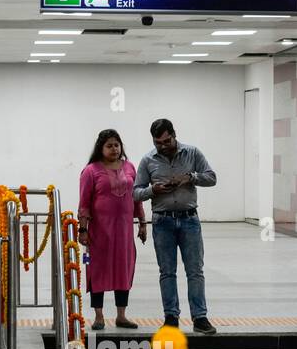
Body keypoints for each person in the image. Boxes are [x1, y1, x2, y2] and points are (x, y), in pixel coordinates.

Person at [133, 117, 217, 334]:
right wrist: (153, 190)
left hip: (190, 219)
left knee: (195, 271)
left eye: (166, 141)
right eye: (158, 143)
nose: (162, 146)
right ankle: (171, 317)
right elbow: (135, 192)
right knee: (167, 272)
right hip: (162, 221)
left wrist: (191, 177)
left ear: (174, 134)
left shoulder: (193, 153)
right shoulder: (147, 160)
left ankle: (200, 318)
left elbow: (211, 178)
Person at [79, 129, 147, 330]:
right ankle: (99, 317)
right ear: (101, 148)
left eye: (116, 145)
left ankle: (121, 316)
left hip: (124, 232)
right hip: (99, 232)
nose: (114, 149)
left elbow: (137, 198)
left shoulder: (130, 167)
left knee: (123, 270)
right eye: (109, 145)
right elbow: (84, 203)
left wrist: (142, 223)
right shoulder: (90, 171)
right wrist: (83, 229)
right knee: (97, 269)